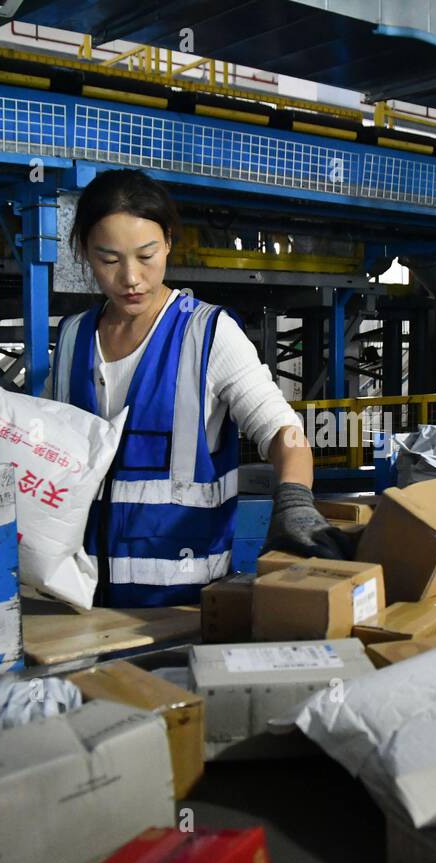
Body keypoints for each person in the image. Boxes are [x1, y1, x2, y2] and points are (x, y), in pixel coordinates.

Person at [48, 169, 350, 608]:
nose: (130, 277)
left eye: (146, 255)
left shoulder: (208, 334)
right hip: (81, 604)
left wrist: (295, 501)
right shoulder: (73, 338)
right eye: (108, 260)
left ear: (169, 242)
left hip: (187, 606)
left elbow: (283, 432)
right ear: (84, 253)